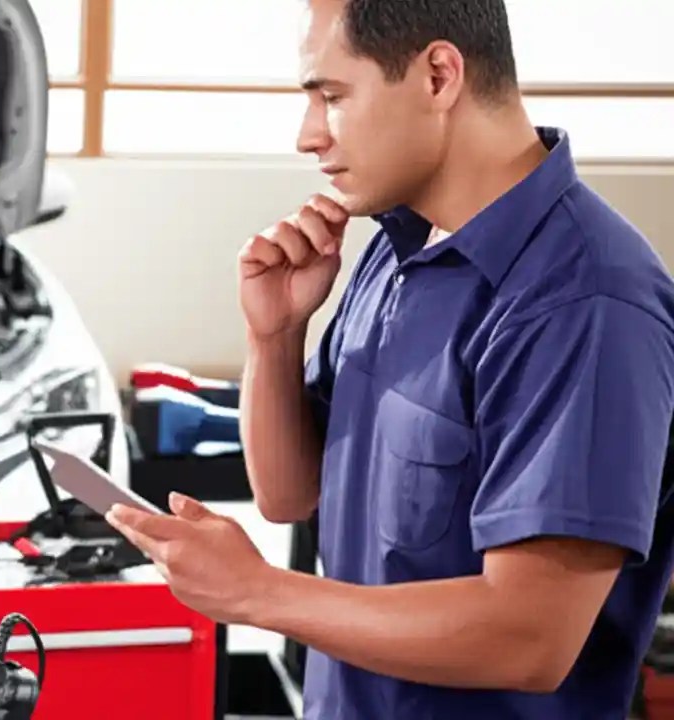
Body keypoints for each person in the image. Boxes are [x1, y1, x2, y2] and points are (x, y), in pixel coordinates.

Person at [104, 0, 674, 717]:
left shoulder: (585, 302)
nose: (308, 136)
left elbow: (530, 638)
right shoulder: (399, 248)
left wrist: (260, 593)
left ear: (438, 75)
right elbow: (291, 494)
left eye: (332, 96)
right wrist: (274, 337)